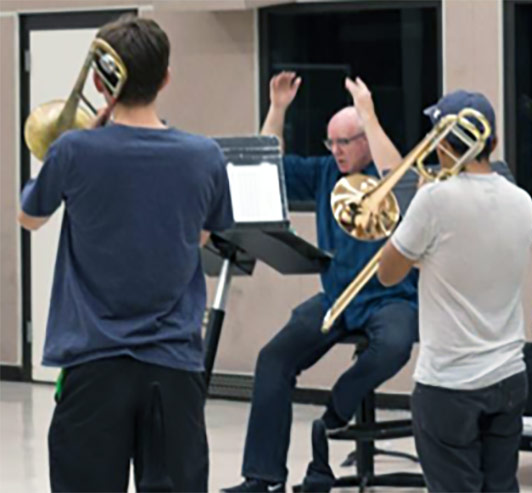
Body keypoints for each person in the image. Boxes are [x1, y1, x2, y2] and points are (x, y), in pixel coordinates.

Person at [17, 15, 234, 492]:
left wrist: (72, 151)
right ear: (166, 78)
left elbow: (29, 217)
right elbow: (200, 237)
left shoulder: (73, 150)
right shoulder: (205, 155)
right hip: (174, 366)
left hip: (93, 365)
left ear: (100, 81)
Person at [223, 74, 418, 493]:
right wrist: (277, 109)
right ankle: (262, 477)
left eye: (344, 142)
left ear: (365, 141)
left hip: (391, 298)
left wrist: (368, 113)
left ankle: (334, 412)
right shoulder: (325, 171)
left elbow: (400, 179)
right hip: (337, 296)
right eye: (331, 142)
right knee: (273, 358)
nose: (336, 151)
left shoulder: (385, 168)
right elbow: (265, 165)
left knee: (396, 346)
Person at [377, 90, 532, 492]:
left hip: (448, 384)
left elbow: (387, 273)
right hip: (509, 375)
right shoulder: (523, 201)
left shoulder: (433, 199)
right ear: (494, 144)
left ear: (441, 143)